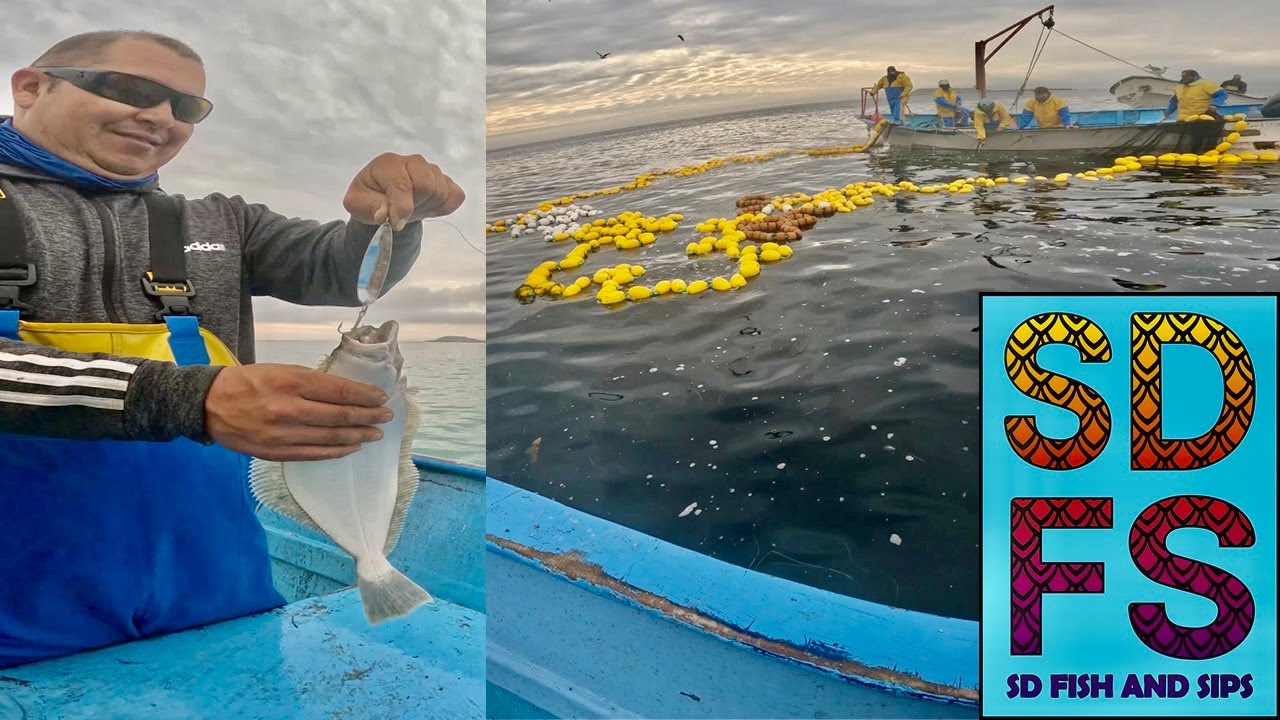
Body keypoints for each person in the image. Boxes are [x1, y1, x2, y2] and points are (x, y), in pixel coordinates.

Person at [0, 30, 464, 668]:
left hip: (216, 579)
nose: (161, 116)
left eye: (186, 108)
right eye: (131, 90)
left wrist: (386, 221)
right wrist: (190, 397)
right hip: (18, 593)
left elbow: (340, 274)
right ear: (31, 88)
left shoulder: (222, 221)